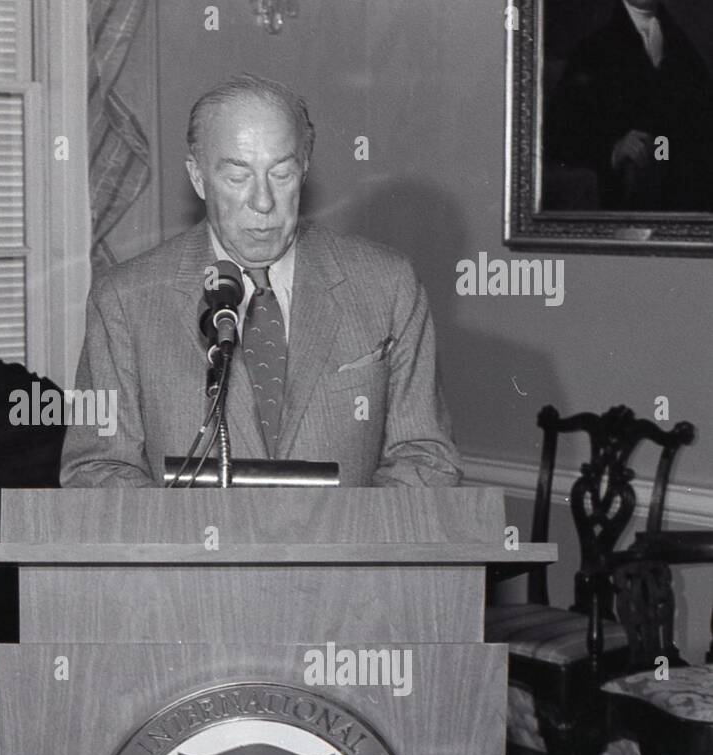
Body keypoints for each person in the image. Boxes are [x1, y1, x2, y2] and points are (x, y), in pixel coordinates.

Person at [61, 74, 462, 488]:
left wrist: (341, 546)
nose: (264, 202)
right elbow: (99, 470)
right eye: (238, 178)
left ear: (304, 170)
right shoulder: (126, 299)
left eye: (282, 174)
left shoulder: (387, 285)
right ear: (198, 178)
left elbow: (425, 458)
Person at [544, 0, 713, 211]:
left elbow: (702, 119)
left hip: (683, 189)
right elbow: (557, 133)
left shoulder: (683, 48)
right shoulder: (592, 50)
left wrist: (669, 148)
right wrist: (614, 149)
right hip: (620, 196)